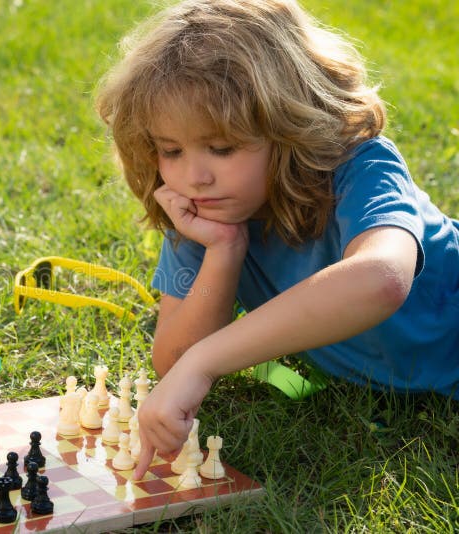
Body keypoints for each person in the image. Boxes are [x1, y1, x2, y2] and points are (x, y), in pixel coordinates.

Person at [95, 0, 459, 480]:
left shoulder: (360, 166)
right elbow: (173, 360)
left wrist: (206, 361)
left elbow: (381, 279)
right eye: (171, 151)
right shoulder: (208, 213)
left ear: (287, 127)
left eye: (222, 148)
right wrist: (223, 251)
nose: (194, 176)